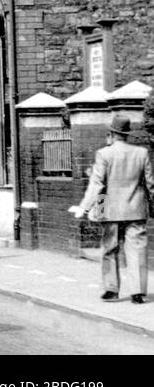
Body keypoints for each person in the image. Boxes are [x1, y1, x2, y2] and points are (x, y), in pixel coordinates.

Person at [69, 115, 154, 304]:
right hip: (136, 209)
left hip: (111, 210)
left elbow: (98, 185)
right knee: (137, 250)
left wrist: (85, 208)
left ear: (112, 134)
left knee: (110, 249)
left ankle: (111, 290)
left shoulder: (104, 154)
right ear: (126, 134)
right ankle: (138, 293)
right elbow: (150, 184)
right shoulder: (141, 153)